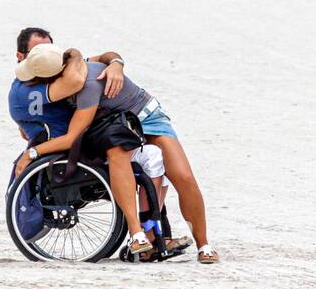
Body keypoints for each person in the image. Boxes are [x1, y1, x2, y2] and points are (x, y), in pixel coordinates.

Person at [13, 41, 217, 264]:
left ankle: (204, 245)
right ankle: (142, 235)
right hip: (117, 124)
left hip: (147, 117)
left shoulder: (86, 83)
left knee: (183, 176)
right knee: (123, 157)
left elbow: (71, 137)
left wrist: (32, 153)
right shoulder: (70, 72)